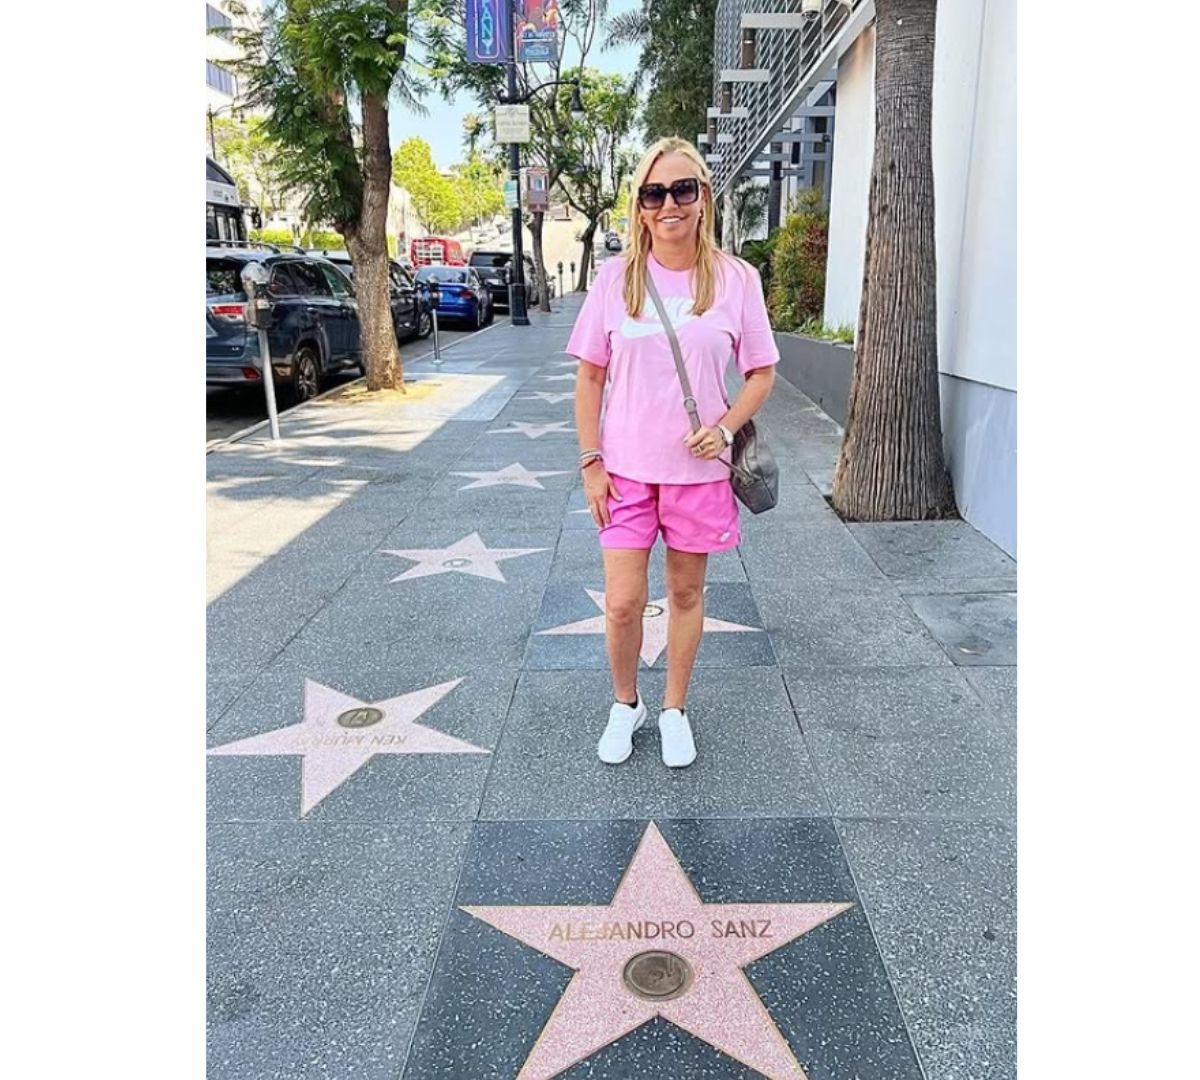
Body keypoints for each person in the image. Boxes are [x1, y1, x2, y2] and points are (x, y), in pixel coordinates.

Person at [566, 136, 779, 769]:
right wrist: (590, 460)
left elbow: (762, 372)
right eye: (654, 193)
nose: (669, 205)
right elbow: (590, 377)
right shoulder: (616, 279)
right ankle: (625, 702)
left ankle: (674, 709)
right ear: (639, 205)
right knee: (623, 602)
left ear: (703, 197)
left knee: (686, 595)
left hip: (698, 475)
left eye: (682, 190)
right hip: (625, 474)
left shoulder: (737, 279)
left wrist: (726, 427)